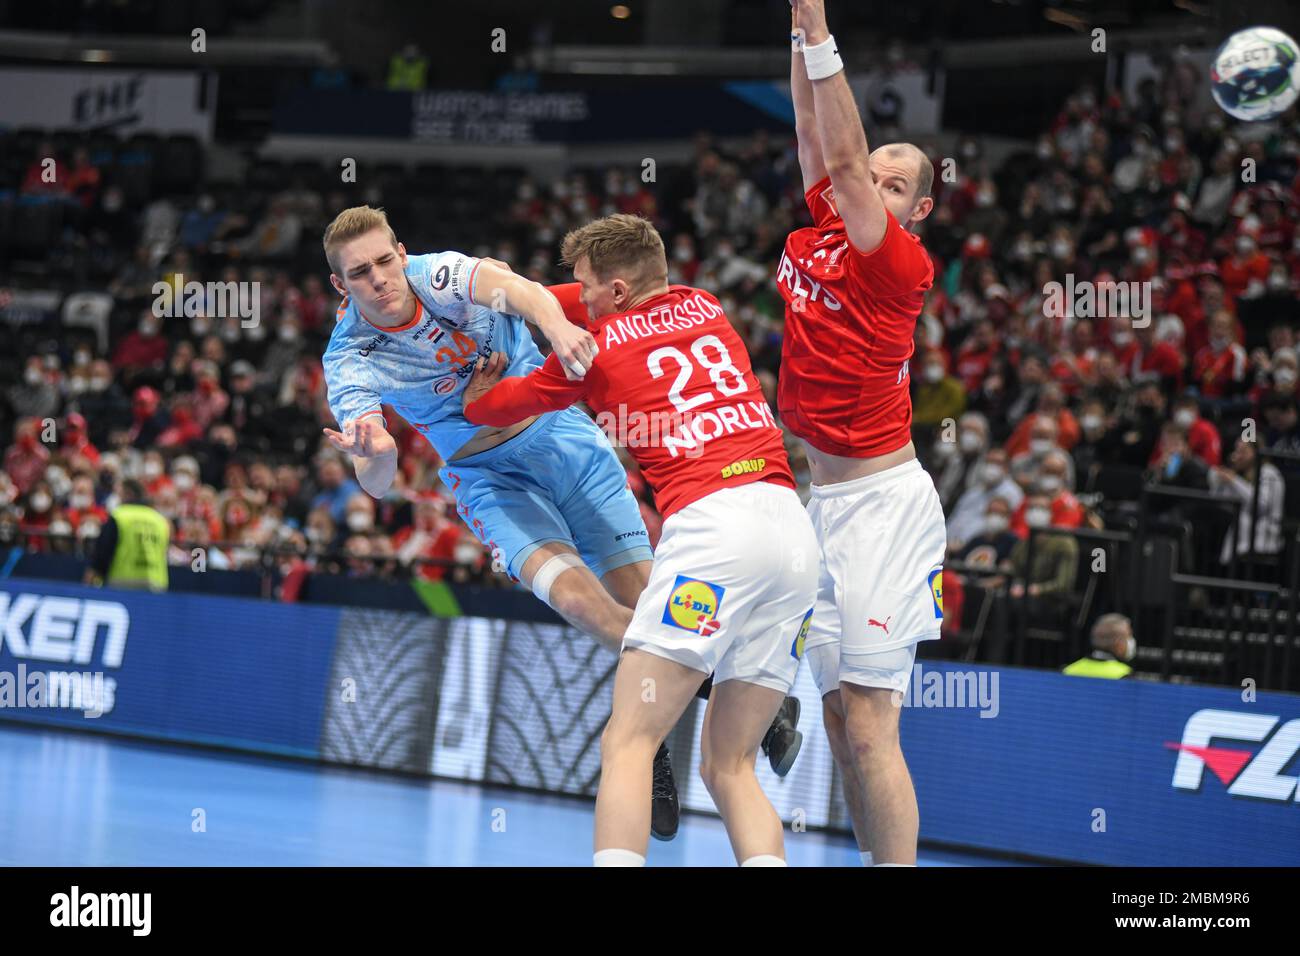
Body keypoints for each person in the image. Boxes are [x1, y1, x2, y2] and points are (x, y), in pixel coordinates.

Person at [463, 213, 818, 866]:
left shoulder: (591, 349)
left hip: (716, 528)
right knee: (731, 766)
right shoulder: (704, 304)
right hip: (790, 529)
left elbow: (500, 409)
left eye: (586, 289)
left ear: (617, 291)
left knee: (628, 742)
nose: (578, 306)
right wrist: (534, 297)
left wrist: (480, 394)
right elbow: (571, 302)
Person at [777, 0, 945, 867]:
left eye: (893, 184)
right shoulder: (824, 229)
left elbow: (840, 153)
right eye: (870, 173)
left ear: (914, 212)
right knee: (842, 718)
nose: (867, 185)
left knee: (873, 725)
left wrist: (821, 25)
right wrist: (796, 34)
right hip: (823, 501)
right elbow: (814, 125)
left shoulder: (896, 261)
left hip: (883, 504)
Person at [83, 479, 171, 592]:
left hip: (123, 585)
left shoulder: (119, 516)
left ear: (128, 494)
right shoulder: (160, 520)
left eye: (118, 494)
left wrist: (91, 577)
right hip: (156, 586)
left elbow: (103, 553)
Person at [1063, 613, 1136, 678]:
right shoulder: (1125, 675)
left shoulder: (1069, 670)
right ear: (1118, 643)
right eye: (1128, 636)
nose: (1130, 641)